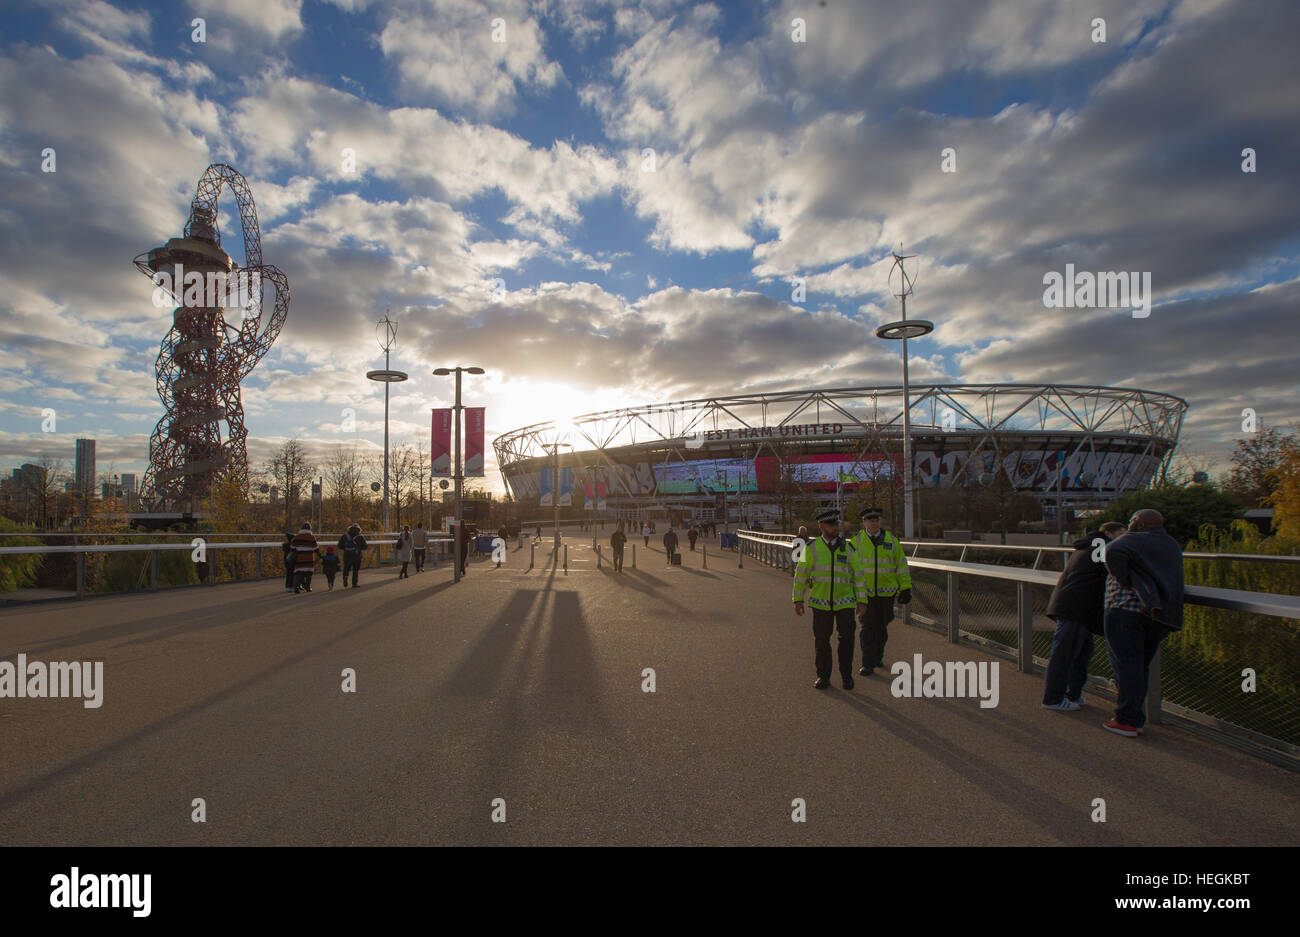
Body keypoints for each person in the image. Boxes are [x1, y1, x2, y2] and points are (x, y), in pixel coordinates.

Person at [1101, 509, 1185, 737]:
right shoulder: (1171, 544)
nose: (1129, 525)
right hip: (1158, 615)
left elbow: (1112, 550)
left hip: (1125, 609)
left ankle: (1126, 720)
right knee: (1139, 666)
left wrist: (1125, 578)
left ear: (1138, 523)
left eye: (1132, 521)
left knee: (1126, 664)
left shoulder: (1133, 539)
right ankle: (1135, 718)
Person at [1042, 522, 1128, 710]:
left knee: (1082, 652)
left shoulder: (1089, 545)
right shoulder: (1102, 546)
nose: (1124, 538)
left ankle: (1073, 693)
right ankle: (1053, 698)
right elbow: (1112, 571)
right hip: (1077, 607)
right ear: (1109, 533)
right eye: (1122, 534)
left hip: (1076, 606)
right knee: (1065, 653)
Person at [793, 509, 867, 689]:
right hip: (820, 603)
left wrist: (862, 600)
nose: (835, 528)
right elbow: (801, 574)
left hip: (845, 603)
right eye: (831, 525)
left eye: (836, 525)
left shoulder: (847, 548)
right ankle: (823, 676)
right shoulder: (811, 548)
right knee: (822, 641)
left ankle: (846, 676)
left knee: (847, 640)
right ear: (821, 527)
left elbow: (858, 574)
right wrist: (798, 599)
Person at [850, 506, 912, 676]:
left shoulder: (892, 541)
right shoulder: (856, 542)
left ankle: (878, 655)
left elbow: (901, 565)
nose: (874, 523)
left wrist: (905, 588)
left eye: (876, 520)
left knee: (882, 627)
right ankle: (867, 662)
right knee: (867, 627)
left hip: (886, 594)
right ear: (864, 523)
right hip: (865, 594)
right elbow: (850, 569)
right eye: (870, 520)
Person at [291, 522, 320, 593]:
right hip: (309, 558)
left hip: (299, 557)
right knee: (308, 573)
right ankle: (307, 587)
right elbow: (316, 548)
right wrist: (320, 555)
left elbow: (292, 547)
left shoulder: (296, 537)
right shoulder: (312, 537)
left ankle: (296, 587)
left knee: (299, 572)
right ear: (309, 529)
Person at [338, 523, 367, 588]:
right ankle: (354, 583)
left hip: (347, 555)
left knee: (346, 568)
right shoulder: (360, 536)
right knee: (355, 570)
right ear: (359, 529)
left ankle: (345, 577)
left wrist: (345, 549)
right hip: (357, 556)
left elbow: (339, 545)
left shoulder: (345, 536)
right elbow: (365, 546)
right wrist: (359, 548)